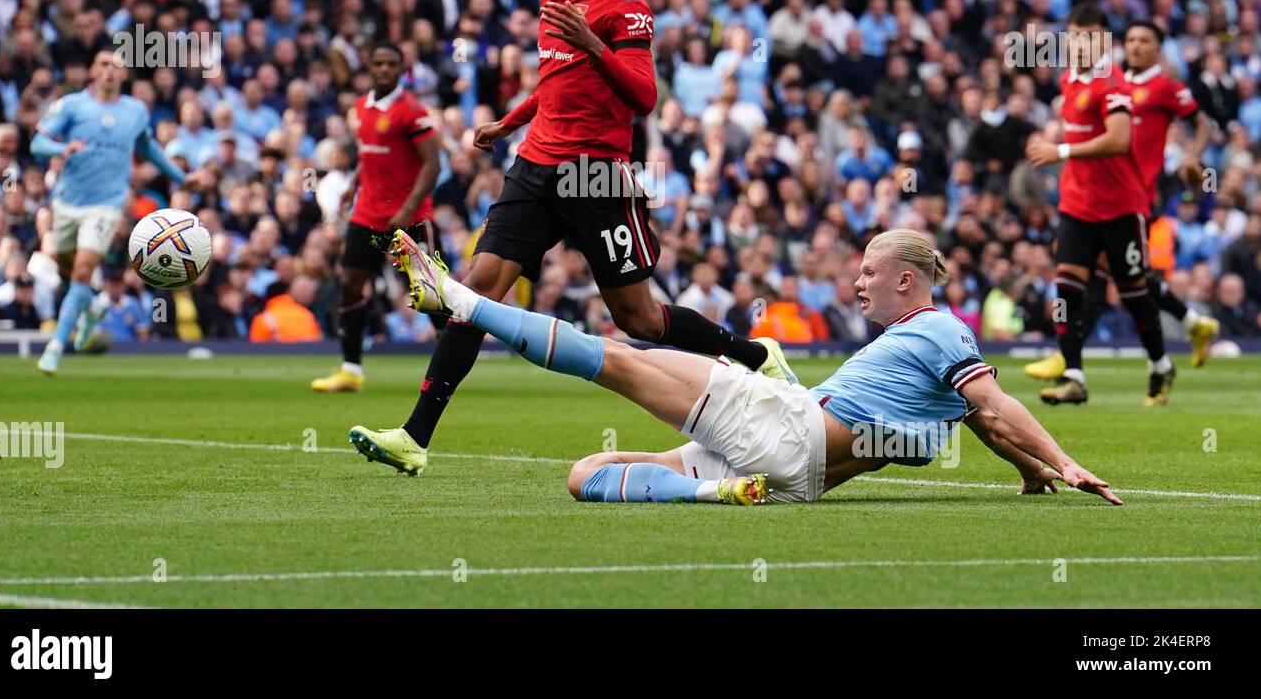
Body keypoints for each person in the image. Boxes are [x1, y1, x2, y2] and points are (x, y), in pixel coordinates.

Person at [350, 0, 794, 476]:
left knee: (637, 320)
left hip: (595, 176)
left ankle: (754, 352)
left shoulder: (625, 4)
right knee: (474, 296)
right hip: (534, 167)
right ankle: (414, 437)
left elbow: (644, 95)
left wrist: (592, 41)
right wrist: (508, 123)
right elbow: (554, 81)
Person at [351, 228, 1122, 508]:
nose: (856, 283)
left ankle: (455, 294)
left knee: (617, 357)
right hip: (794, 475)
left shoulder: (941, 330)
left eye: (868, 271)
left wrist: (1062, 457)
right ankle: (713, 491)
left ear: (908, 281)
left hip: (787, 426)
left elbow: (997, 405)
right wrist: (1028, 475)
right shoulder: (942, 353)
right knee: (584, 474)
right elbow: (979, 416)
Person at [1025, 20, 1220, 400]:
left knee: (1125, 283)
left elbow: (1201, 123)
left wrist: (1193, 158)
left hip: (1135, 196)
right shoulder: (1105, 80)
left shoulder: (1162, 86)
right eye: (1130, 39)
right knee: (1100, 280)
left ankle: (1083, 359)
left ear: (1158, 48)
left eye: (1144, 40)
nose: (1135, 46)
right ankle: (1081, 364)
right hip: (1089, 200)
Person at [30, 49, 190, 374]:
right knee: (65, 267)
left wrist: (182, 178)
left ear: (124, 74)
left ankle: (56, 347)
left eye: (117, 66)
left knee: (82, 271)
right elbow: (37, 144)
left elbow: (147, 148)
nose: (109, 71)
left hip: (106, 205)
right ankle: (90, 311)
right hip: (67, 202)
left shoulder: (135, 111)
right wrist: (63, 148)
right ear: (92, 70)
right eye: (104, 64)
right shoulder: (71, 105)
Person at [309, 42, 441, 392]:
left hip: (408, 217)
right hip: (367, 214)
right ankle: (351, 368)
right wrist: (354, 185)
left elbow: (433, 164)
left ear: (401, 69)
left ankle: (450, 362)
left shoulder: (411, 111)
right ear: (369, 67)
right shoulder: (362, 106)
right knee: (351, 284)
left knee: (431, 293)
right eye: (378, 63)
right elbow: (369, 157)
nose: (384, 69)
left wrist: (407, 209)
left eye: (391, 64)